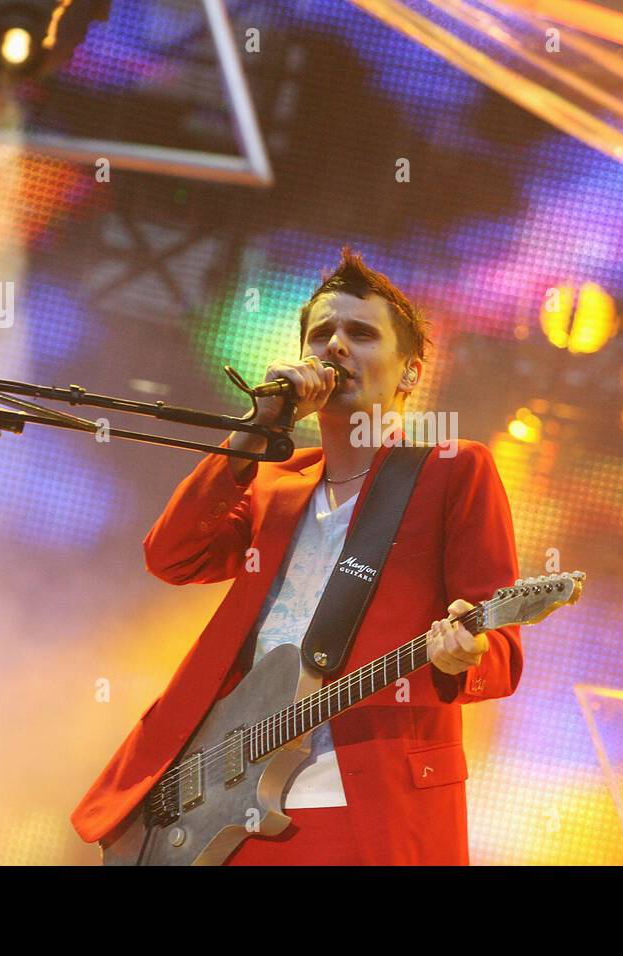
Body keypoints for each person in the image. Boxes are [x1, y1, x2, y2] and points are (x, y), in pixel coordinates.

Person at [70, 247, 522, 864]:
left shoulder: (452, 470)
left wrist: (464, 654)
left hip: (362, 802)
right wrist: (253, 431)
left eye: (361, 334)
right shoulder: (277, 482)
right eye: (322, 334)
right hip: (232, 804)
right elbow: (173, 556)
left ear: (410, 373)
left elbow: (502, 646)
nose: (335, 346)